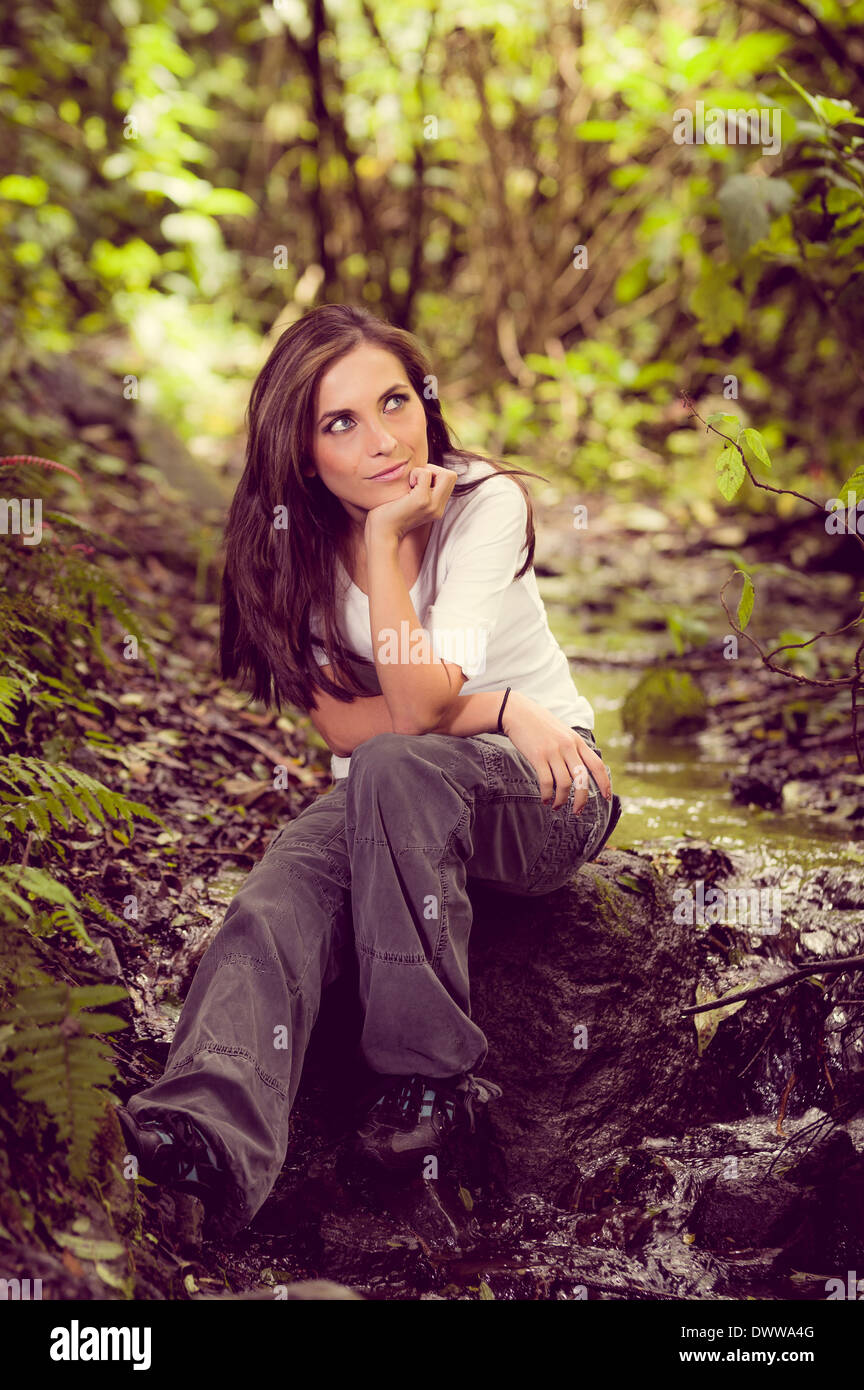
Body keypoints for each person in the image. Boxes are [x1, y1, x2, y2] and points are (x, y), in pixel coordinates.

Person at [117, 304, 622, 1239]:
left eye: (396, 401)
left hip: (543, 789)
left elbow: (415, 713)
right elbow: (348, 722)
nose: (384, 439)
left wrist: (395, 549)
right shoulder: (283, 541)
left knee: (395, 761)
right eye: (340, 422)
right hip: (394, 798)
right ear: (304, 456)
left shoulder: (484, 504)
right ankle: (202, 1131)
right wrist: (504, 700)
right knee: (280, 892)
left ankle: (427, 1083)